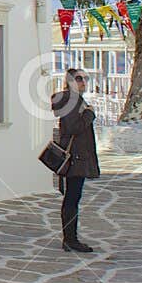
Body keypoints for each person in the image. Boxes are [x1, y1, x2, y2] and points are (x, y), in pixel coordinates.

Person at [50, 68, 100, 253]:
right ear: (70, 81)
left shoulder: (74, 100)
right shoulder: (71, 101)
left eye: (85, 78)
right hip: (74, 158)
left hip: (78, 157)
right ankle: (70, 239)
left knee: (73, 197)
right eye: (79, 79)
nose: (83, 82)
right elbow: (73, 127)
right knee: (72, 198)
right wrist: (89, 114)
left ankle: (71, 237)